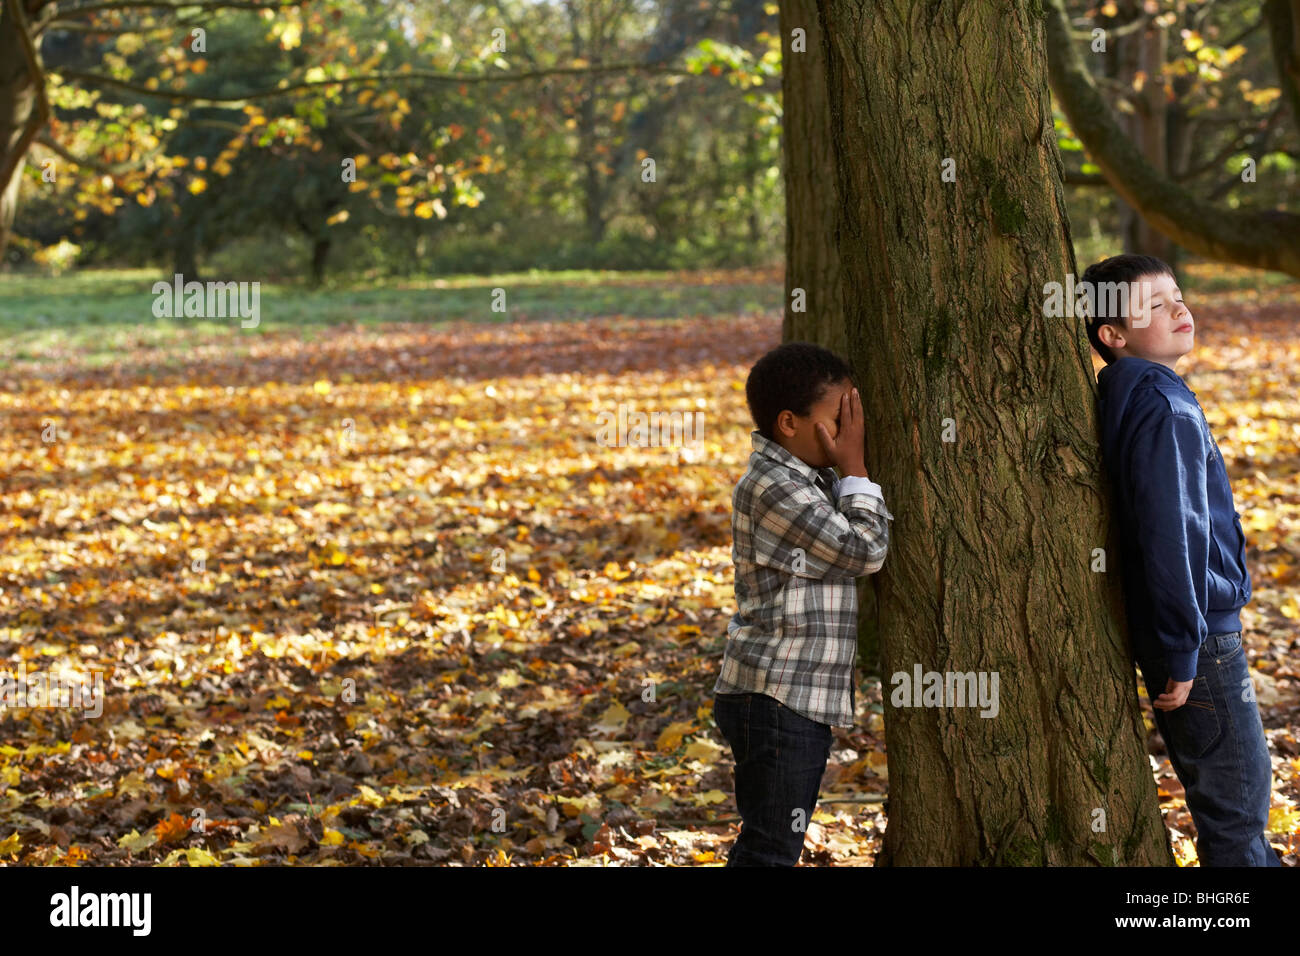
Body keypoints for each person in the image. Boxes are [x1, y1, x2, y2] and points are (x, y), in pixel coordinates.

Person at [1087, 253, 1281, 866]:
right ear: (1113, 337)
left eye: (1177, 294)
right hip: (1202, 640)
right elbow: (1174, 531)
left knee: (1233, 805)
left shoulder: (1129, 392)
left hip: (1186, 631)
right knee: (1239, 812)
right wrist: (1184, 646)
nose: (1178, 309)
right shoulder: (1166, 409)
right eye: (1154, 305)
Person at [712, 342, 893, 866]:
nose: (850, 432)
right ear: (788, 423)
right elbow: (864, 550)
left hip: (788, 698)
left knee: (774, 841)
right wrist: (857, 469)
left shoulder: (807, 479)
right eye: (840, 419)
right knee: (771, 848)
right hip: (775, 696)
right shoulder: (772, 487)